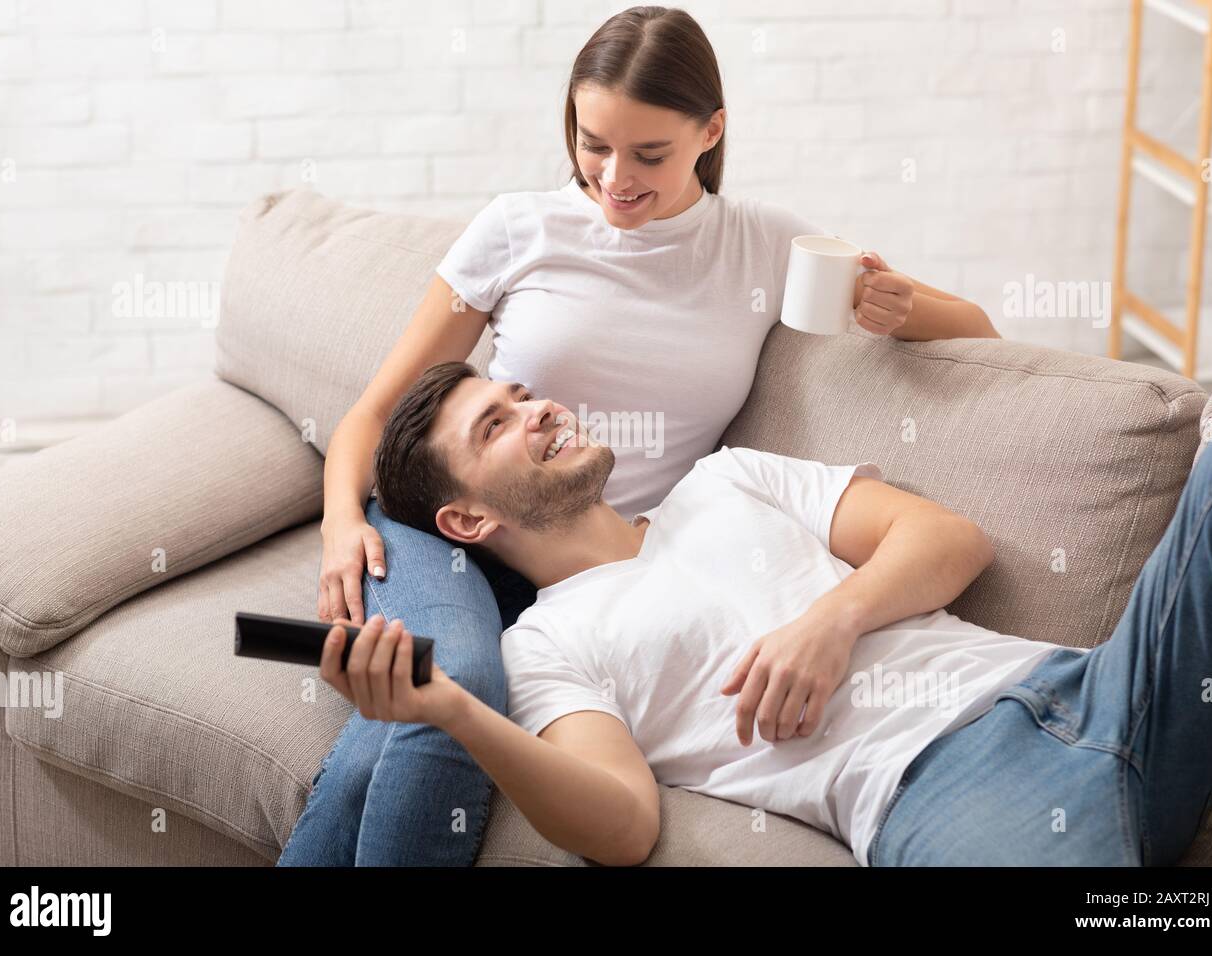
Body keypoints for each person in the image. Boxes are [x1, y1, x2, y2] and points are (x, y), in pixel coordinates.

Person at [282, 6, 999, 866]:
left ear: (711, 132)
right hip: (469, 527)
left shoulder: (763, 243)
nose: (614, 178)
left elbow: (980, 333)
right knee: (458, 677)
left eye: (649, 154)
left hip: (600, 570)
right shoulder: (520, 228)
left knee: (410, 715)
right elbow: (376, 411)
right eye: (593, 145)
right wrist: (340, 522)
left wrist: (900, 307)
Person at [319, 362, 1212, 867]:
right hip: (946, 796)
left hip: (1088, 686)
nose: (536, 412)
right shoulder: (546, 648)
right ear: (467, 518)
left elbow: (950, 540)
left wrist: (834, 620)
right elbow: (621, 826)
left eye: (519, 395)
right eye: (495, 426)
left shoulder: (728, 478)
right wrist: (453, 711)